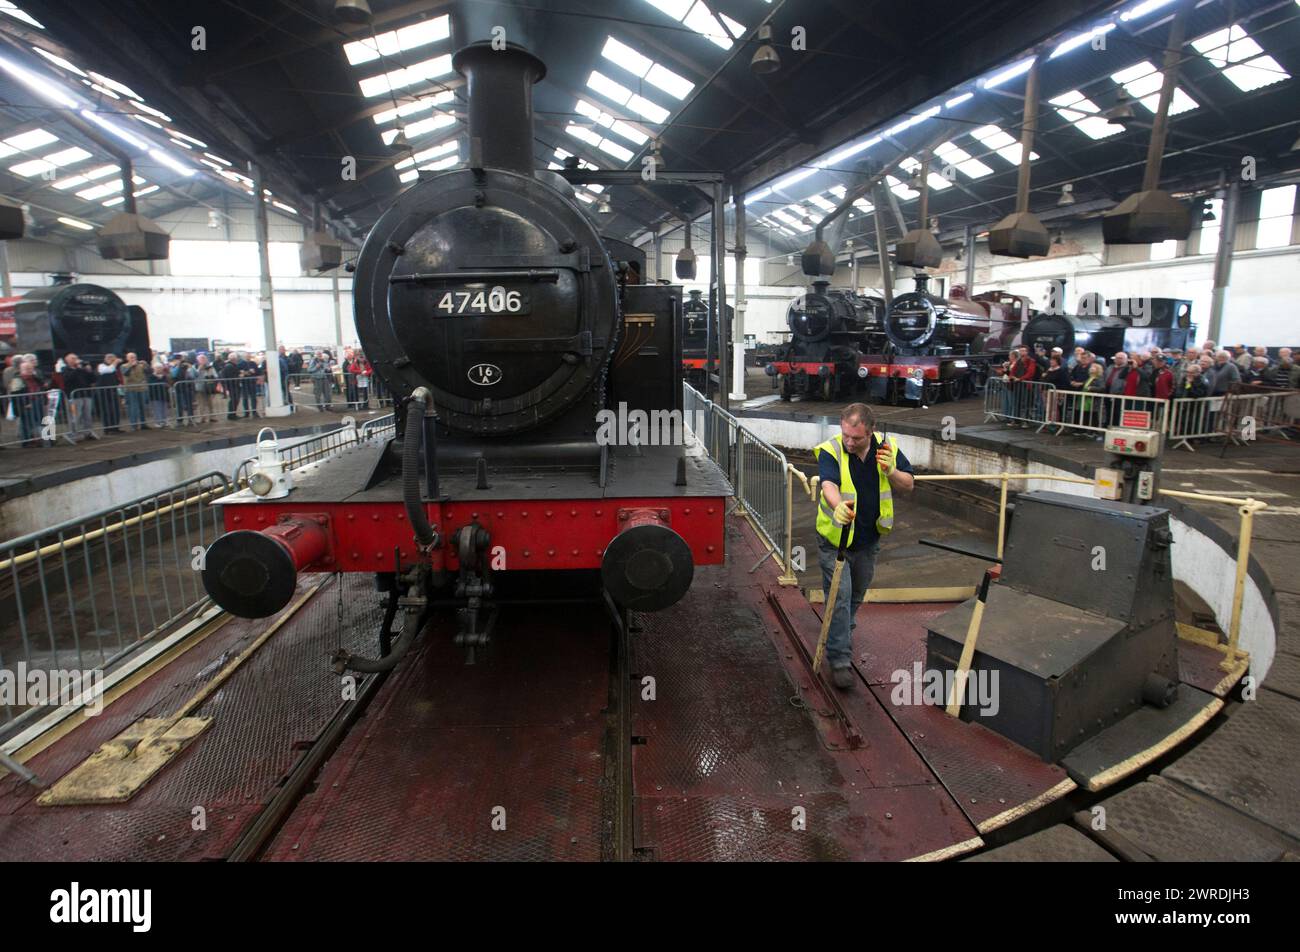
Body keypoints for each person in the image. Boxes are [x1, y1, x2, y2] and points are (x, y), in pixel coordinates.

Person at [815, 403, 915, 690]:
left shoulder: (887, 449)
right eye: (845, 434)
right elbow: (829, 485)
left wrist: (892, 470)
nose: (848, 442)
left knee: (856, 595)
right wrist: (837, 507)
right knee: (840, 598)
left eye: (855, 438)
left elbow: (908, 485)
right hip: (835, 542)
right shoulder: (831, 450)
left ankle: (841, 634)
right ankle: (840, 659)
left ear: (870, 432)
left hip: (868, 541)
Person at [61, 353, 98, 441]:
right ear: (68, 361)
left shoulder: (82, 370)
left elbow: (93, 379)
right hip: (74, 396)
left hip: (86, 395)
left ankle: (88, 432)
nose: (76, 359)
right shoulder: (65, 369)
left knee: (87, 415)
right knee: (75, 416)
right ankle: (73, 433)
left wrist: (89, 371)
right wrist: (77, 369)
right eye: (73, 358)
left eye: (76, 358)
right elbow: (68, 380)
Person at [121, 352, 149, 430]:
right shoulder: (123, 366)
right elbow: (125, 373)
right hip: (130, 389)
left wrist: (146, 365)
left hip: (141, 389)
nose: (133, 358)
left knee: (142, 407)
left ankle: (143, 424)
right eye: (131, 357)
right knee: (133, 408)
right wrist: (131, 366)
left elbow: (148, 372)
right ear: (127, 358)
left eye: (134, 357)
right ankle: (134, 425)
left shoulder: (141, 365)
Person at [192, 354, 220, 423]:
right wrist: (199, 369)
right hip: (199, 387)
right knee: (201, 403)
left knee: (210, 403)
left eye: (204, 359)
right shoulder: (194, 367)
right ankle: (202, 417)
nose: (203, 361)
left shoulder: (210, 367)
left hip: (209, 387)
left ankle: (212, 417)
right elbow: (193, 376)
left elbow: (216, 376)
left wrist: (210, 375)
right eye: (201, 359)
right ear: (198, 360)